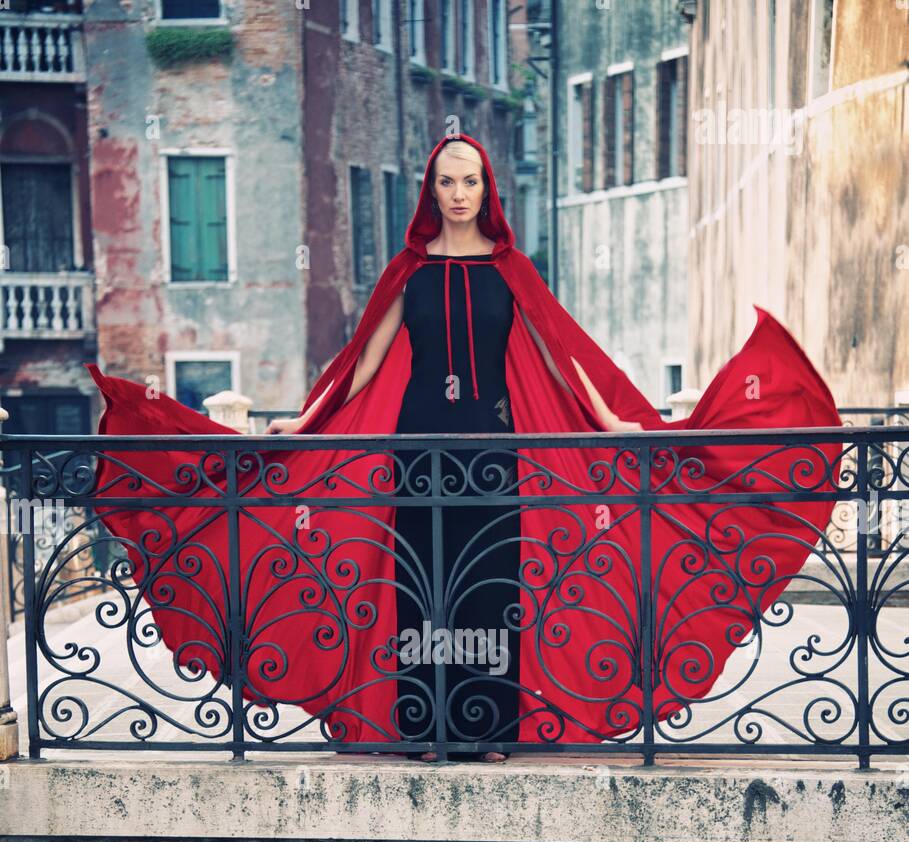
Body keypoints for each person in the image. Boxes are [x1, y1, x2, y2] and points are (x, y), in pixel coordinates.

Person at [84, 133, 842, 760]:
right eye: (446, 181)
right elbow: (362, 364)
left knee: (486, 590)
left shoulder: (511, 272)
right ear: (430, 190)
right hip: (417, 455)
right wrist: (303, 423)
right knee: (420, 590)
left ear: (486, 190)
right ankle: (423, 725)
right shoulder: (407, 272)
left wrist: (612, 426)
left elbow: (556, 356)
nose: (457, 194)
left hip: (493, 455)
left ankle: (481, 727)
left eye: (469, 181)